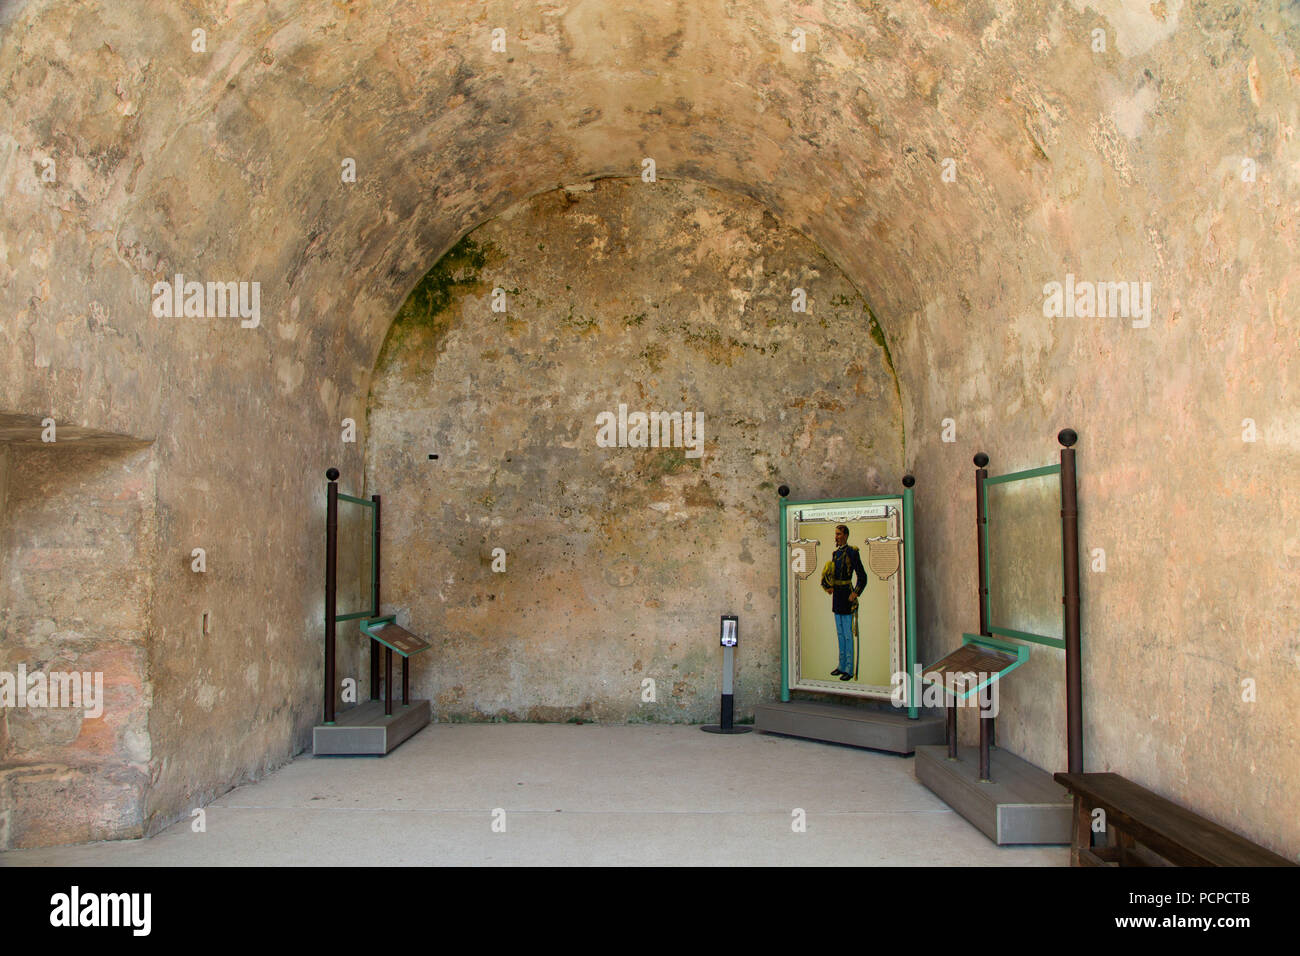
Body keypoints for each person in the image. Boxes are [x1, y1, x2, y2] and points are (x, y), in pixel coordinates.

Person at [821, 524, 868, 681]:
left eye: (839, 534)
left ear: (846, 535)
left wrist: (855, 593)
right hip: (837, 596)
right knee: (840, 633)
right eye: (836, 534)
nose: (837, 537)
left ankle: (849, 668)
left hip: (847, 595)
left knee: (848, 634)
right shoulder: (835, 553)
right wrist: (828, 586)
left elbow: (862, 576)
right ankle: (841, 666)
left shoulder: (852, 552)